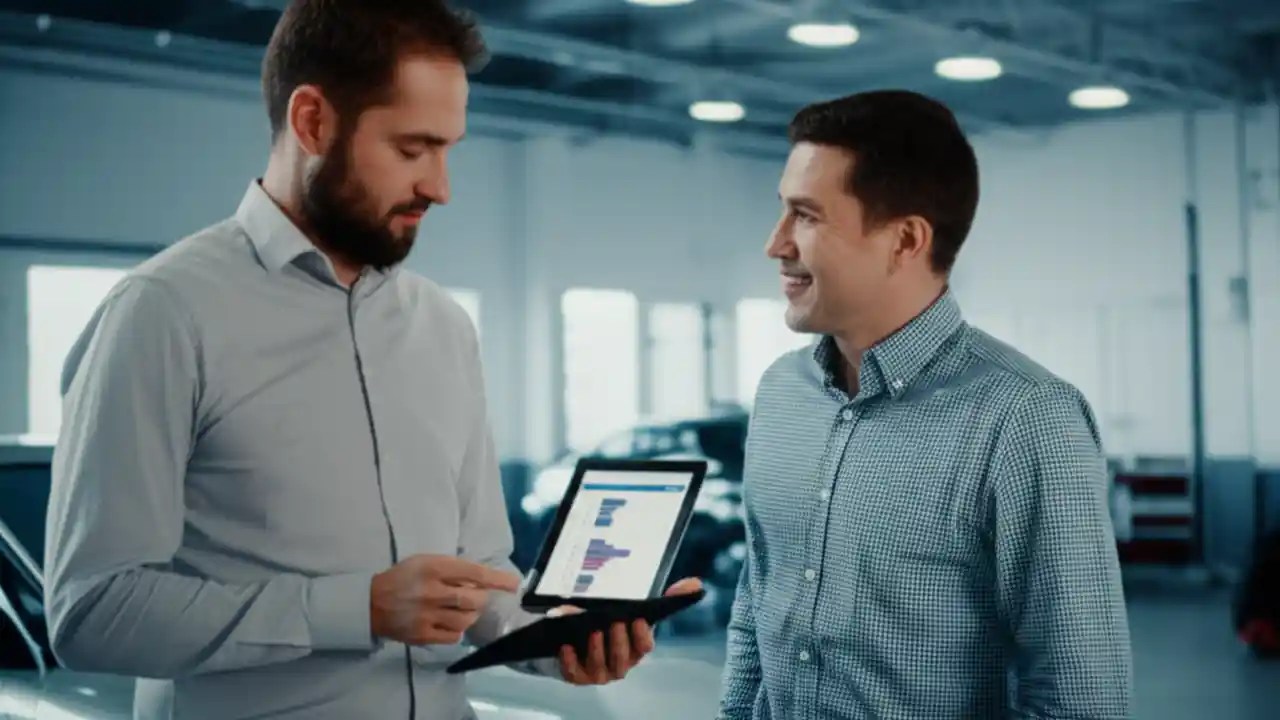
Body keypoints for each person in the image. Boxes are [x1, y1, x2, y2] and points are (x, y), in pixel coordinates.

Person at [42, 1, 698, 718]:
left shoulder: (443, 327)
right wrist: (356, 608)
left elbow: (479, 580)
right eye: (413, 149)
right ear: (312, 121)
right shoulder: (163, 313)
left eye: (449, 150)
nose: (440, 187)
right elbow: (90, 613)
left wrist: (554, 639)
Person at [717, 90, 1133, 719]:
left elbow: (1080, 698)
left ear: (906, 239)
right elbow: (757, 603)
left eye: (805, 216)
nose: (776, 244)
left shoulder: (1025, 417)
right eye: (783, 212)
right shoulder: (782, 394)